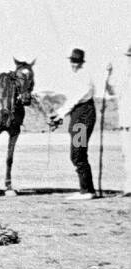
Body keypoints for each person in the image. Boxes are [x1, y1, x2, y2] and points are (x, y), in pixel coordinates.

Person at [48, 47, 99, 199]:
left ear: (81, 62)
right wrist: (59, 115)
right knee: (78, 153)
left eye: (76, 62)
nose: (74, 64)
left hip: (83, 117)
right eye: (72, 61)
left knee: (78, 153)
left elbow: (76, 99)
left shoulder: (84, 76)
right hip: (78, 116)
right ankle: (87, 189)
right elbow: (72, 101)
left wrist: (60, 113)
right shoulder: (77, 77)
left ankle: (87, 191)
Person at [107, 44, 131, 196]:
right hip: (125, 124)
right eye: (129, 57)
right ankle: (129, 186)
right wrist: (108, 75)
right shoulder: (124, 78)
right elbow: (111, 91)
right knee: (127, 154)